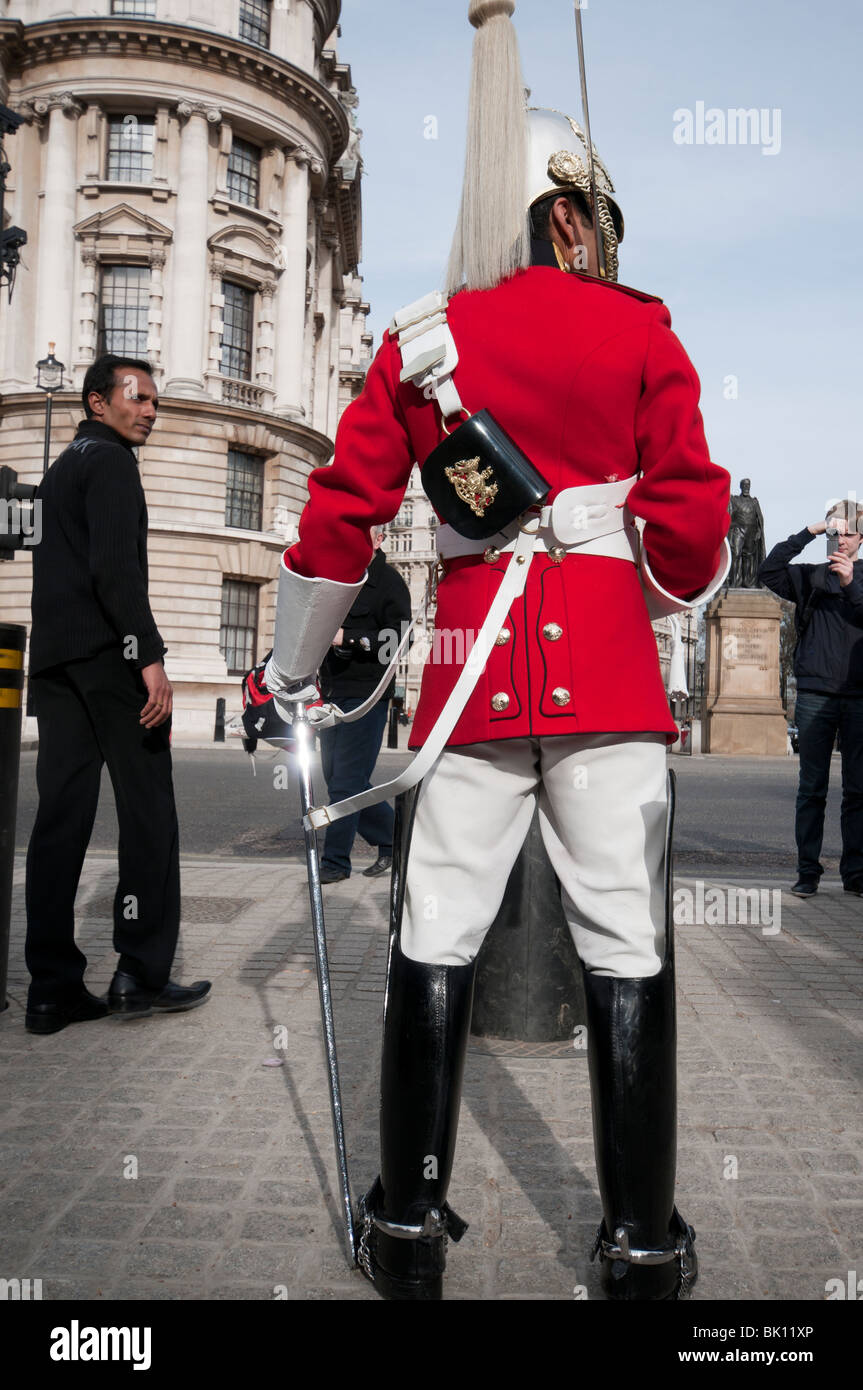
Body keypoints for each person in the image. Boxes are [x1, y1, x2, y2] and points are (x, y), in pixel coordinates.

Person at [265, 0, 730, 1300]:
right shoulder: (640, 331)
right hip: (609, 695)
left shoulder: (422, 344)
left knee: (434, 940)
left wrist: (291, 670)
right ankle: (639, 1244)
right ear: (566, 217)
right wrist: (636, 560)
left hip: (468, 692)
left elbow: (340, 517)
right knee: (625, 950)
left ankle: (409, 1225)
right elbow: (692, 532)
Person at [24, 354, 210, 1034]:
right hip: (110, 660)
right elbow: (115, 570)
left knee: (60, 821)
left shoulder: (61, 467)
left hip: (57, 664)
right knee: (148, 811)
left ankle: (51, 990)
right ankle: (140, 973)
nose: (150, 410)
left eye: (155, 400)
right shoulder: (111, 463)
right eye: (138, 397)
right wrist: (147, 657)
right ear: (97, 402)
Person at [759, 503, 863, 897]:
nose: (842, 539)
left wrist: (851, 584)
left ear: (861, 539)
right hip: (815, 693)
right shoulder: (809, 576)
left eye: (850, 533)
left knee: (858, 791)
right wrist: (812, 530)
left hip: (858, 696)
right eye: (836, 532)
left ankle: (856, 874)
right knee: (811, 789)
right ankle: (808, 872)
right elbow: (768, 571)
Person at [317, 525, 411, 883]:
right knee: (338, 777)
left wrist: (350, 638)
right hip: (333, 691)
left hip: (368, 694)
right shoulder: (338, 579)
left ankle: (335, 862)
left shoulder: (389, 582)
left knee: (346, 781)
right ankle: (394, 837)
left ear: (379, 539)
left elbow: (402, 638)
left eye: (364, 532)